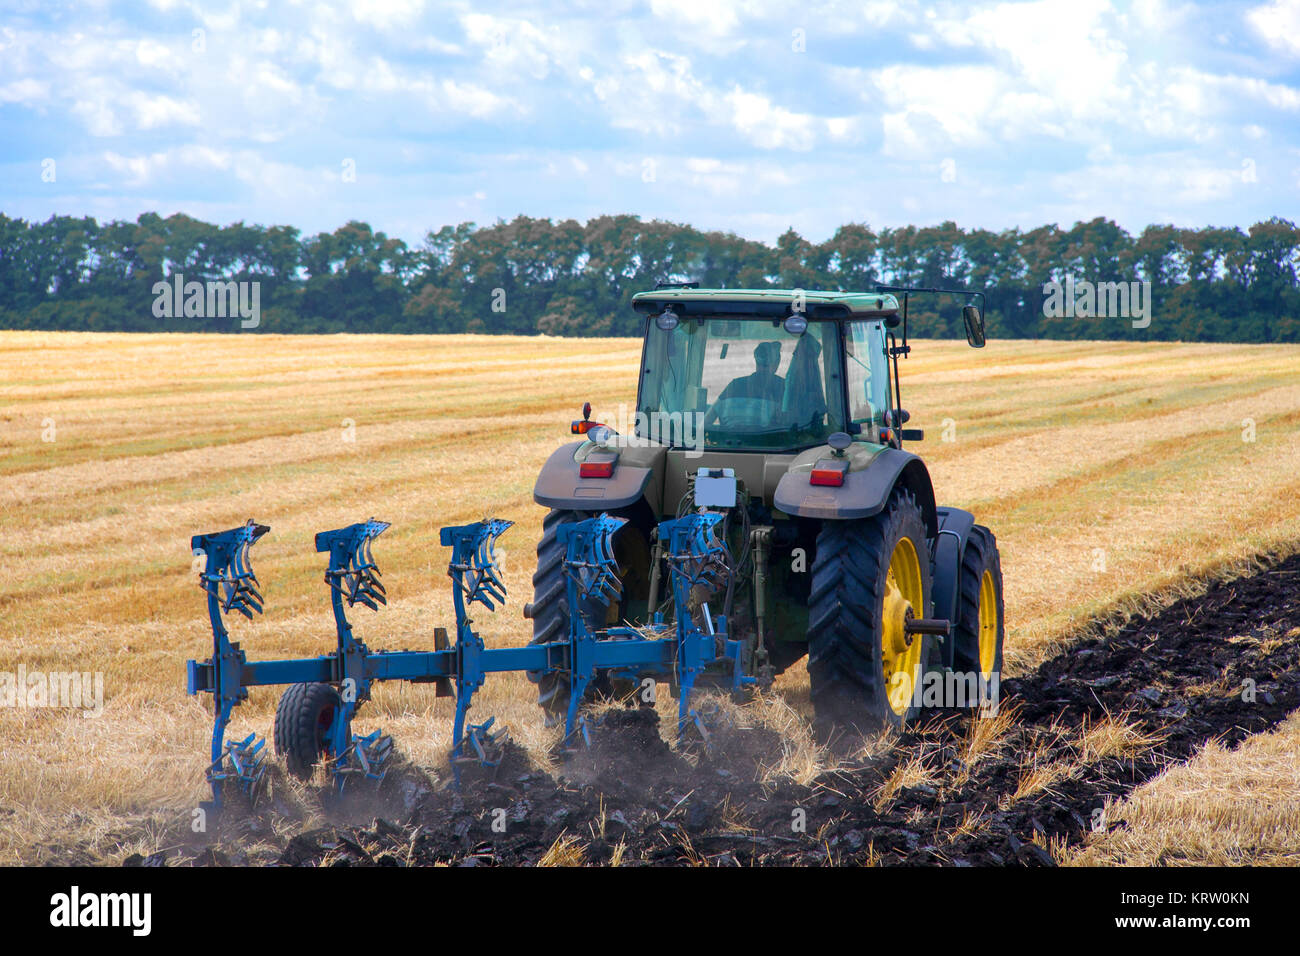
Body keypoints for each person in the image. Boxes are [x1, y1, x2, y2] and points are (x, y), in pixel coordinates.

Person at [704, 341, 784, 426]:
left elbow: (704, 424)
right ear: (776, 365)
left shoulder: (734, 386)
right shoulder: (784, 388)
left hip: (729, 438)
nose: (762, 369)